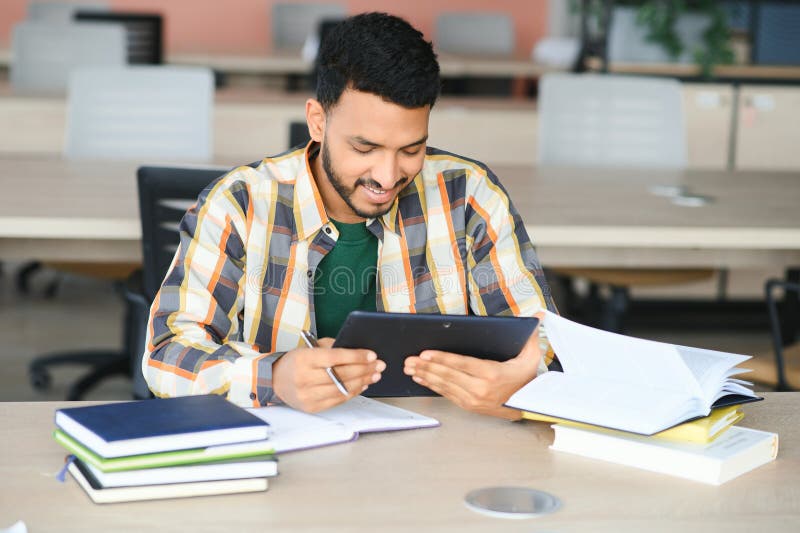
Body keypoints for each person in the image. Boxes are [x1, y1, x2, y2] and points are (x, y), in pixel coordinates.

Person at [143, 12, 556, 420]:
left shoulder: (469, 195)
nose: (388, 175)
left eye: (411, 150)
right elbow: (166, 355)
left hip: (435, 452)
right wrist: (276, 377)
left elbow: (541, 338)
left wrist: (518, 385)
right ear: (318, 121)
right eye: (364, 149)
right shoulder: (237, 204)